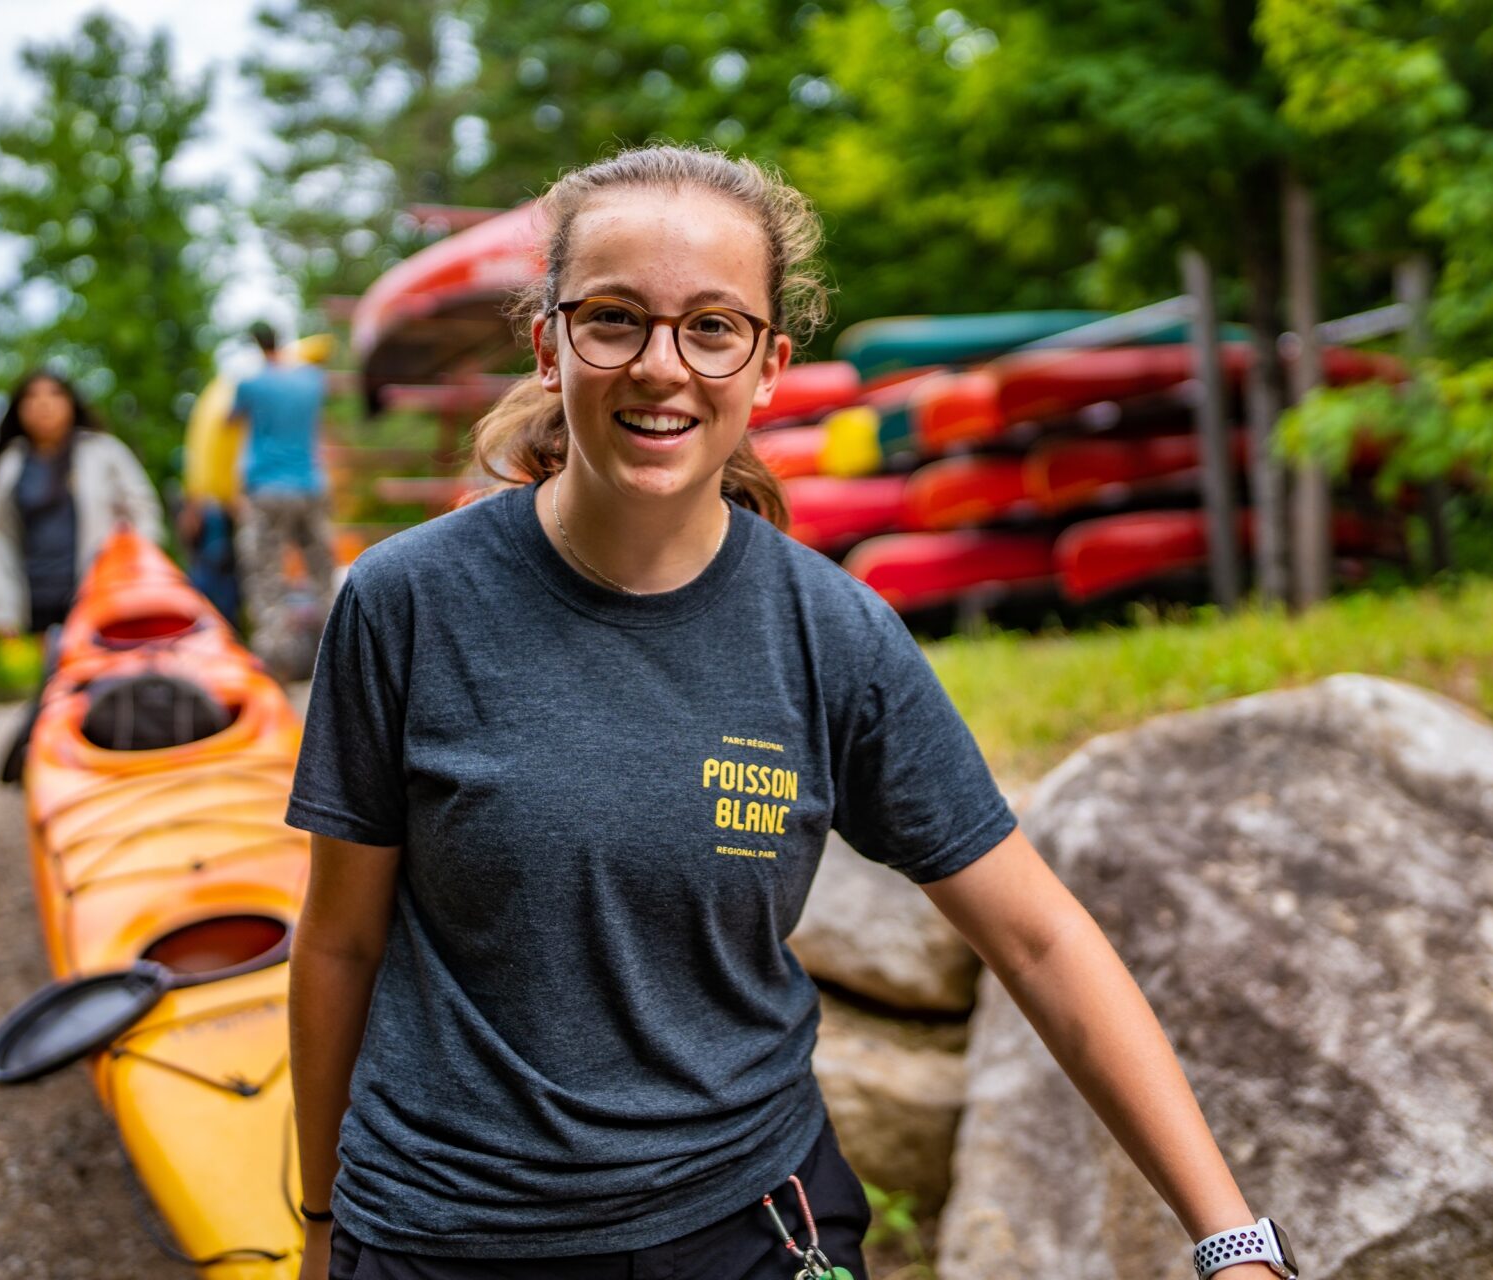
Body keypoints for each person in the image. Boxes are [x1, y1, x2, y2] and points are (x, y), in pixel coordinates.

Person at [283, 145, 1294, 1280]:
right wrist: (320, 1224)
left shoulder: (833, 635)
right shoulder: (408, 602)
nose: (661, 365)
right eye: (614, 319)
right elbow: (340, 939)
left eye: (711, 327)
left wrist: (1233, 1242)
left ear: (767, 368)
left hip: (751, 1226)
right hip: (444, 1240)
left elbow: (1041, 936)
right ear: (550, 343)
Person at [0, 369, 165, 636]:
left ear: (71, 403)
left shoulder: (102, 452)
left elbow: (143, 511)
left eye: (54, 395)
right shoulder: (11, 465)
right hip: (36, 597)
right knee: (49, 660)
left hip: (102, 591)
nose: (43, 404)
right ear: (18, 409)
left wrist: (135, 568)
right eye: (32, 397)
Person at [230, 321, 337, 679]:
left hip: (267, 489)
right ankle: (340, 649)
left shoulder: (250, 384)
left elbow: (230, 420)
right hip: (311, 485)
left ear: (255, 344)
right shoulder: (312, 381)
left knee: (266, 576)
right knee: (321, 572)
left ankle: (276, 663)